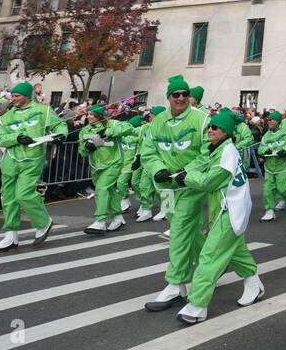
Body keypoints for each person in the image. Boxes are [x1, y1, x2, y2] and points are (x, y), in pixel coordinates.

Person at [173, 109, 266, 323]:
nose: (210, 129)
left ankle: (197, 305)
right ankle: (254, 284)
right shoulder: (215, 149)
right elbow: (200, 163)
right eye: (210, 126)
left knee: (210, 256)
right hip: (226, 209)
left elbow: (208, 182)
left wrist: (185, 177)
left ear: (226, 132)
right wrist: (179, 171)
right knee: (236, 252)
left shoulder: (227, 153)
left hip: (231, 210)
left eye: (215, 127)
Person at [142, 75, 213, 311]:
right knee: (188, 233)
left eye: (185, 93)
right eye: (176, 94)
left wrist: (187, 170)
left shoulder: (202, 119)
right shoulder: (157, 122)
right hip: (167, 190)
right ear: (169, 97)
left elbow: (208, 151)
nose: (181, 98)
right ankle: (212, 264)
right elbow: (148, 152)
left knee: (180, 231)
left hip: (190, 187)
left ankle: (175, 285)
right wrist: (158, 170)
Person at [0, 82, 65, 253]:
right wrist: (16, 138)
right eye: (13, 96)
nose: (13, 99)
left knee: (23, 193)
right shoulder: (7, 117)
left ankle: (43, 222)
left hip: (32, 159)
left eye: (17, 96)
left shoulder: (42, 111)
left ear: (27, 96)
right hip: (10, 161)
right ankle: (10, 236)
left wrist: (61, 135)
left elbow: (60, 125)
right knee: (8, 198)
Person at [77, 104, 131, 234]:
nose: (89, 116)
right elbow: (82, 151)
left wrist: (108, 132)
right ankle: (118, 217)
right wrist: (86, 148)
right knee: (110, 190)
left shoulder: (112, 123)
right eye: (88, 114)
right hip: (96, 165)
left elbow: (128, 127)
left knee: (101, 188)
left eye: (92, 114)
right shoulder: (85, 130)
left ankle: (100, 221)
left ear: (99, 115)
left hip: (114, 162)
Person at [257, 110, 286, 221]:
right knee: (267, 189)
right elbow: (260, 149)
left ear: (278, 121)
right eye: (268, 119)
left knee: (283, 189)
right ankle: (269, 211)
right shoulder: (266, 135)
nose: (268, 121)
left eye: (271, 119)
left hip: (283, 166)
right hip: (269, 167)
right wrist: (266, 150)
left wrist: (285, 150)